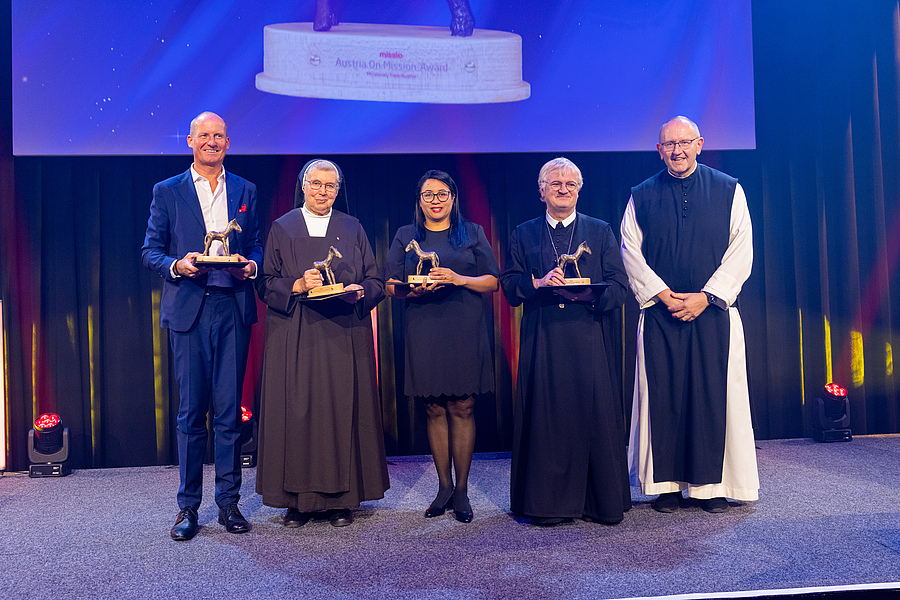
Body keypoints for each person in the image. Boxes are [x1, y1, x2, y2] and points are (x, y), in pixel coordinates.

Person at [620, 116, 759, 514]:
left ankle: (710, 487)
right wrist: (663, 295)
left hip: (713, 314)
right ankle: (665, 487)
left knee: (712, 398)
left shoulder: (729, 189)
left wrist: (707, 296)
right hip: (662, 314)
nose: (677, 150)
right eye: (668, 144)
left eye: (684, 143)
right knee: (663, 397)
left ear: (699, 144)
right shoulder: (641, 196)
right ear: (658, 149)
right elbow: (630, 251)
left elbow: (741, 248)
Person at [141, 111, 262, 541]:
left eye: (219, 136)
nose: (211, 142)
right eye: (203, 136)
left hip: (232, 308)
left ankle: (228, 504)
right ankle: (187, 507)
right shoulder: (167, 191)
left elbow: (258, 243)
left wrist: (252, 264)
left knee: (229, 414)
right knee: (192, 414)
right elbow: (150, 251)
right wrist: (176, 264)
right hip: (189, 311)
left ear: (228, 142)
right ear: (190, 140)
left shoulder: (245, 189)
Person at [255, 159, 389, 528]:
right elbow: (265, 282)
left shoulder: (352, 227)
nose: (323, 192)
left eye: (330, 186)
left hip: (344, 335)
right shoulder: (283, 228)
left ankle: (341, 500)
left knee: (341, 412)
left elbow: (376, 281)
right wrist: (296, 285)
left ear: (337, 190)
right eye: (316, 184)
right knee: (297, 414)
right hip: (295, 335)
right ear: (303, 185)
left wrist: (361, 290)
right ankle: (295, 501)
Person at [500, 157, 631, 525]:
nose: (563, 189)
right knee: (546, 419)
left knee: (594, 417)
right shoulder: (524, 233)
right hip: (543, 339)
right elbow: (509, 285)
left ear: (579, 189)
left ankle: (597, 502)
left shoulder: (600, 230)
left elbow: (620, 286)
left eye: (570, 184)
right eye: (555, 184)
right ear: (542, 191)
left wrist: (590, 294)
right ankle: (548, 505)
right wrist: (537, 283)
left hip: (589, 336)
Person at [384, 170, 500, 523]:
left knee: (463, 407)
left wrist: (459, 278)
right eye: (428, 195)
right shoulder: (406, 235)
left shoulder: (473, 232)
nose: (435, 200)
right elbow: (389, 283)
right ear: (419, 200)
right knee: (434, 408)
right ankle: (443, 486)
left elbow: (493, 280)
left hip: (464, 327)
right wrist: (411, 290)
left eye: (442, 194)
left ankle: (462, 491)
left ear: (453, 198)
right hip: (424, 327)